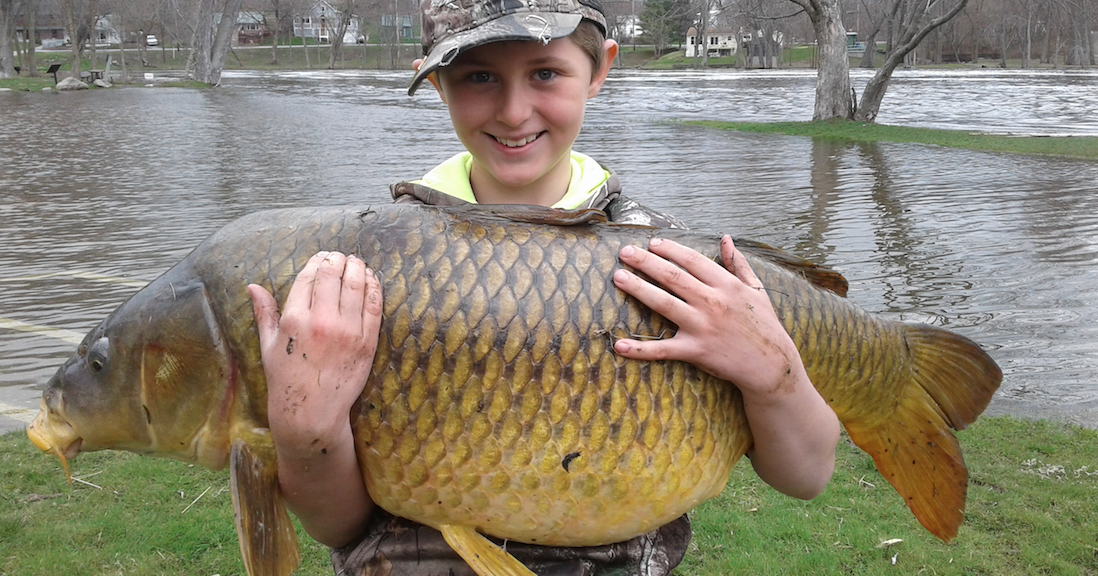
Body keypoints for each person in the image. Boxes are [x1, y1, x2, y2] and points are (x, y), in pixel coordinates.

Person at [247, 0, 841, 573]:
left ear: (600, 68)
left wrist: (774, 374)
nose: (513, 111)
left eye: (546, 73)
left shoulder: (685, 271)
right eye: (480, 76)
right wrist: (307, 436)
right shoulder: (359, 272)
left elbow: (807, 474)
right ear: (435, 83)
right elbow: (339, 526)